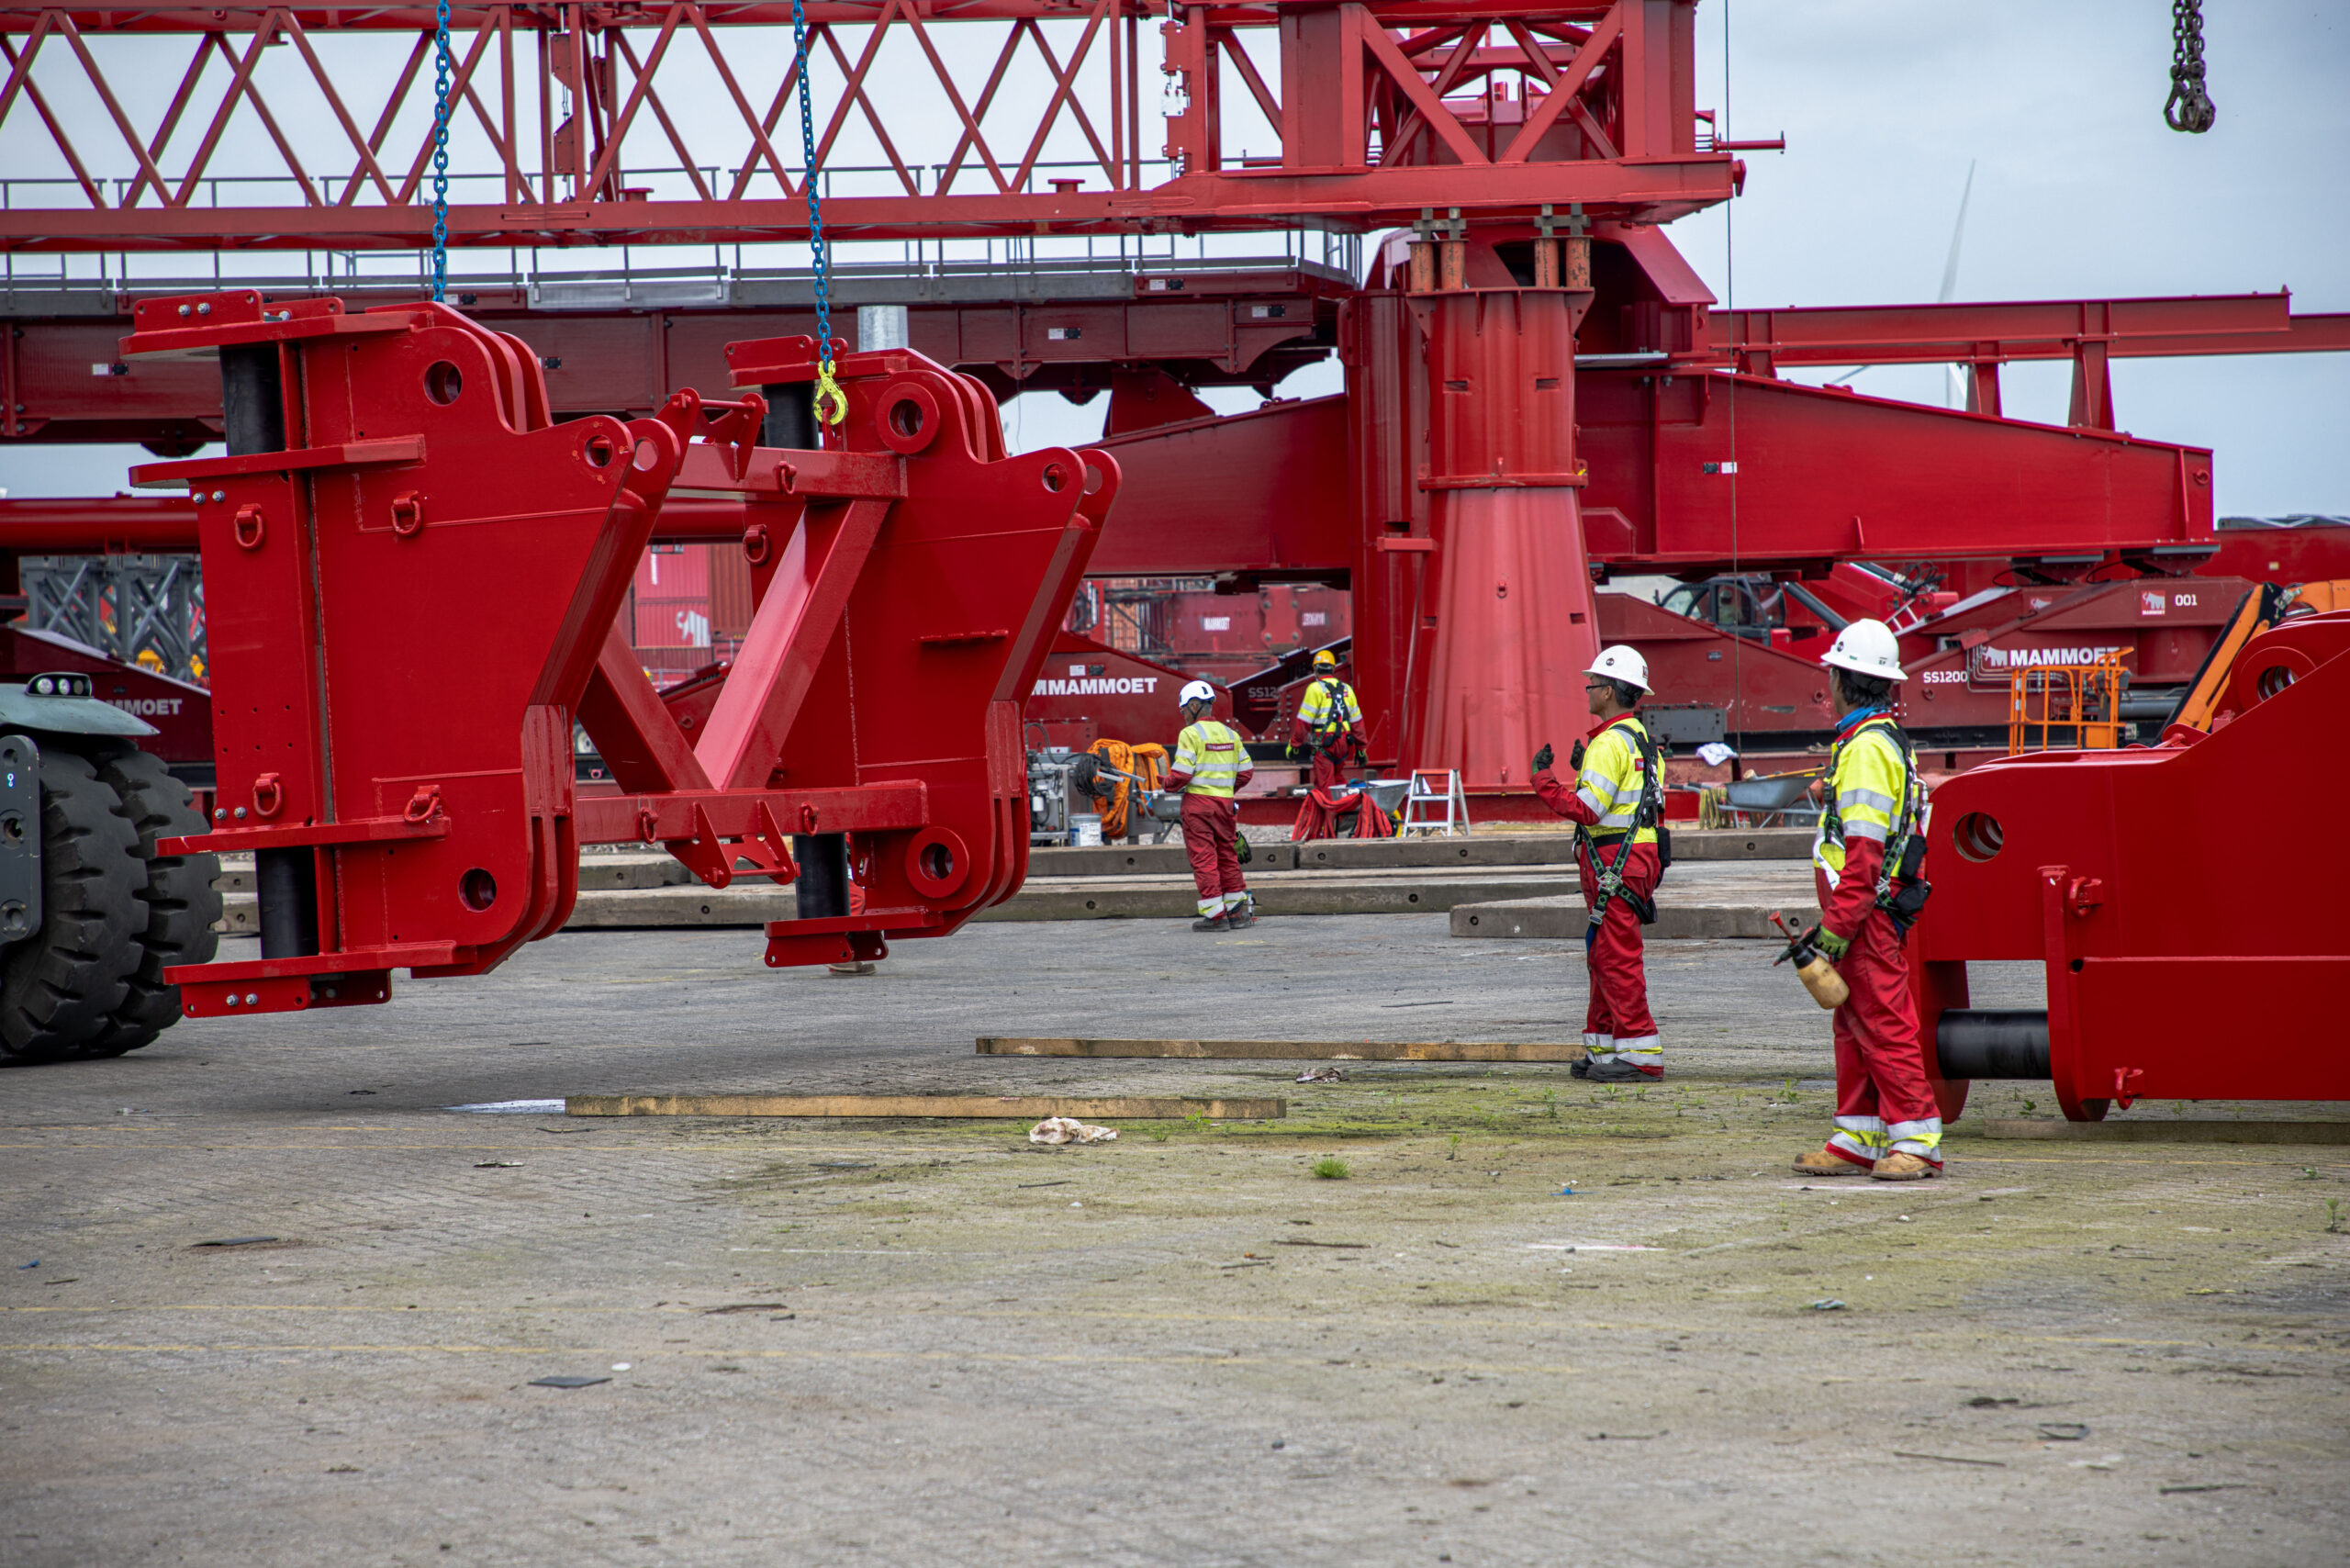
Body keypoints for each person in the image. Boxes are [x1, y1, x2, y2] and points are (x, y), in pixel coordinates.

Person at [1793, 619, 1942, 1182]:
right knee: (1852, 1022)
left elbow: (1863, 854)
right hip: (1865, 909)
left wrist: (1837, 926)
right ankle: (1857, 1136)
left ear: (1840, 680)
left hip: (1864, 912)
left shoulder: (1865, 749)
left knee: (1883, 1023)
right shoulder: (1879, 740)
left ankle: (1917, 1142)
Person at [1531, 645, 1664, 1082]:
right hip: (1634, 858)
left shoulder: (1608, 743)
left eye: (1592, 684)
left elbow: (1588, 809)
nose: (1588, 690)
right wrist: (1582, 770)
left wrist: (1544, 781)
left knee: (1616, 959)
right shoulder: (1642, 741)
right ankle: (1605, 1050)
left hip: (1614, 860)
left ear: (1608, 691)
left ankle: (1641, 1056)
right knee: (1604, 956)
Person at [1165, 678, 1254, 932]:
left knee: (1204, 859)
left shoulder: (1190, 734)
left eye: (1183, 709)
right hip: (1225, 806)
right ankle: (1237, 913)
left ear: (1194, 706)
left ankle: (1215, 917)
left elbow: (1182, 774)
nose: (1183, 715)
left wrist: (1167, 784)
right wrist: (1226, 789)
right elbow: (1246, 772)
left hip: (1198, 806)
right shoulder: (1231, 734)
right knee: (1227, 856)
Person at [1288, 650, 1367, 794]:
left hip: (1324, 743)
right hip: (1344, 743)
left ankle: (1330, 808)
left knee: (1325, 786)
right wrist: (1361, 749)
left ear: (1315, 670)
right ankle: (1344, 804)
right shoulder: (1347, 689)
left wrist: (1295, 744)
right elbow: (1357, 722)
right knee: (1338, 779)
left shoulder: (1315, 689)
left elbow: (1304, 722)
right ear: (1333, 669)